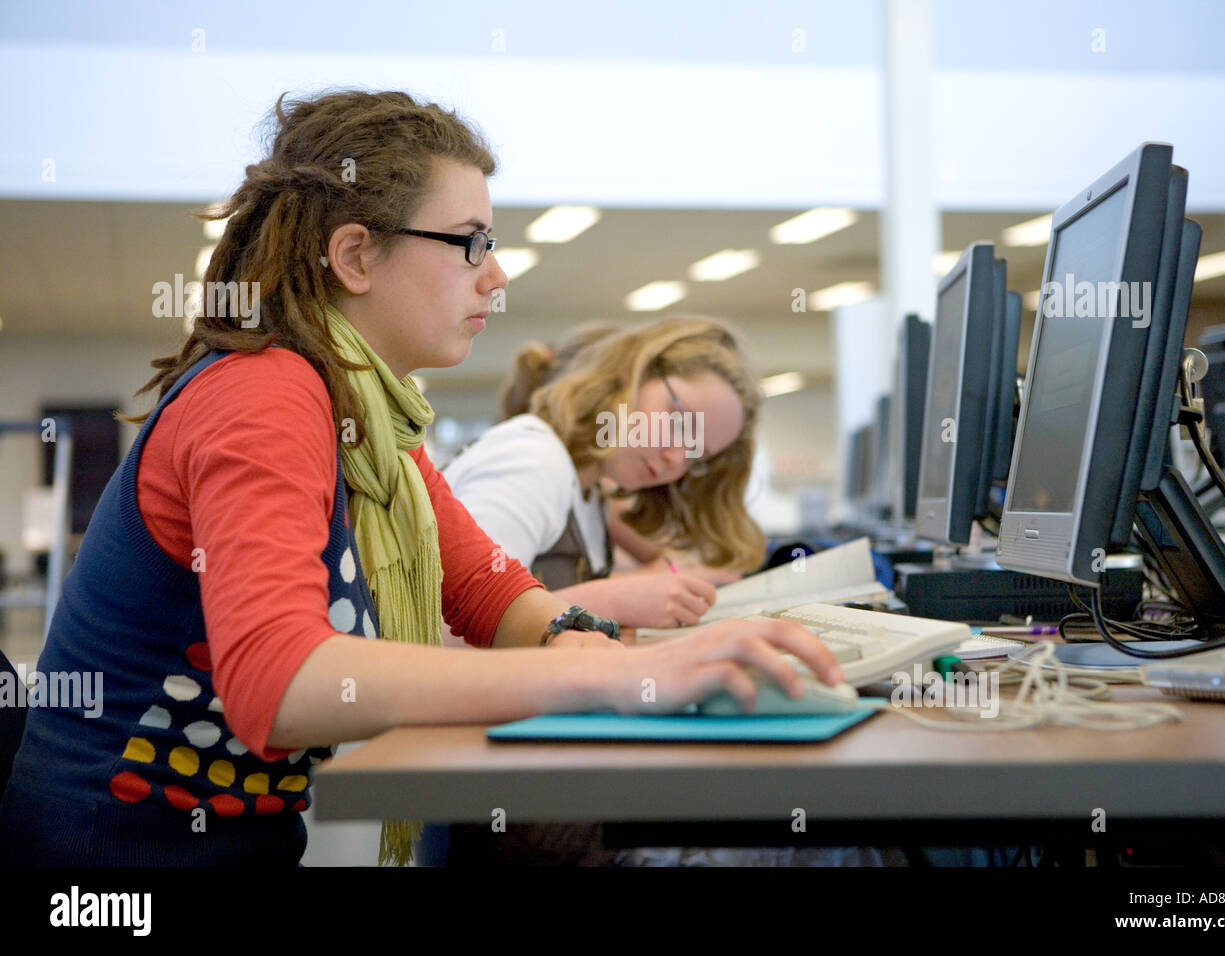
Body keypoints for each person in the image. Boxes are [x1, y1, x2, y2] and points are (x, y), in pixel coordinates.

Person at [0, 90, 841, 867]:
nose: (498, 275)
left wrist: (649, 652)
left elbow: (489, 593)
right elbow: (280, 682)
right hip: (113, 870)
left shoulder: (370, 421)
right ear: (357, 255)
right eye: (471, 243)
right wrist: (610, 674)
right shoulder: (265, 392)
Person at [444, 316, 765, 631]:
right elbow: (444, 626)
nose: (675, 458)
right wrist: (614, 599)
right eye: (680, 423)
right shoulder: (532, 458)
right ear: (632, 373)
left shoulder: (590, 488)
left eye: (698, 456)